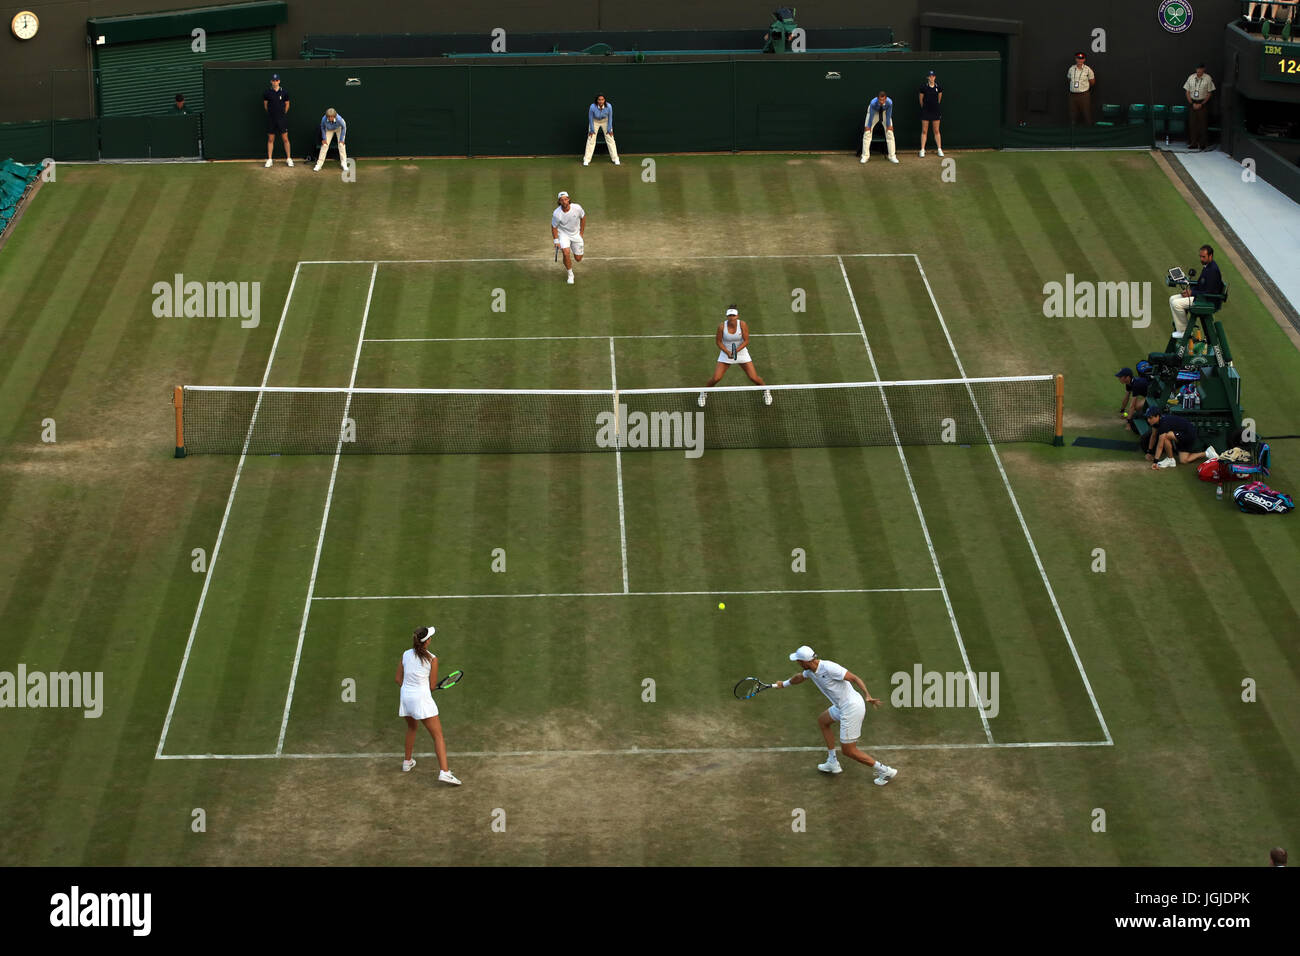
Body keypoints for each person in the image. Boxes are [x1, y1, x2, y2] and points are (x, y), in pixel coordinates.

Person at [771, 645, 898, 785]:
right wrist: (784, 684)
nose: (797, 663)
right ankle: (832, 762)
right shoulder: (810, 670)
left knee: (849, 751)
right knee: (823, 721)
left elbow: (854, 678)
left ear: (806, 661)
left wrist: (867, 695)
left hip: (852, 708)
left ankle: (885, 771)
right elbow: (799, 677)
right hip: (841, 706)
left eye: (799, 661)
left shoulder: (829, 667)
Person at [395, 625, 461, 785]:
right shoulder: (432, 659)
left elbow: (398, 679)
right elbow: (432, 686)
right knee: (438, 736)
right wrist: (422, 691)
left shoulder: (405, 654)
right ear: (427, 641)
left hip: (405, 698)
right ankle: (445, 772)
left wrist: (411, 690)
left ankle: (407, 762)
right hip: (421, 700)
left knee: (412, 728)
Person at [698, 305, 771, 406]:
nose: (731, 317)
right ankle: (703, 393)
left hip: (741, 352)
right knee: (716, 378)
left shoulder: (742, 325)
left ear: (737, 316)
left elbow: (746, 341)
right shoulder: (722, 327)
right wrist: (728, 352)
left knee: (753, 377)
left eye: (733, 315)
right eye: (730, 315)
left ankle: (766, 391)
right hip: (726, 353)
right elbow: (718, 342)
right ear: (727, 316)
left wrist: (736, 351)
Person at [1168, 245, 1223, 338]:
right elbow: (1200, 285)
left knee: (1176, 304)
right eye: (1200, 256)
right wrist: (1189, 291)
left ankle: (1185, 331)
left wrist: (1192, 293)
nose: (1201, 259)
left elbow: (1209, 292)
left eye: (1203, 257)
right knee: (1172, 299)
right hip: (1200, 296)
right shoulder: (1207, 266)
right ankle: (1180, 328)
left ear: (1211, 256)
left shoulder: (1213, 270)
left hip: (1206, 300)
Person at [551, 191, 585, 285]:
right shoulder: (556, 213)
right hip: (563, 234)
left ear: (569, 199)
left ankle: (571, 256)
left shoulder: (577, 208)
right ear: (559, 202)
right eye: (562, 200)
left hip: (576, 234)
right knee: (566, 253)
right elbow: (554, 227)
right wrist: (556, 241)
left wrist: (581, 233)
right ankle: (570, 274)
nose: (564, 202)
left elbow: (583, 217)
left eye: (566, 199)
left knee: (578, 259)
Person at [860, 91, 899, 164]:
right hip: (873, 112)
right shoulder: (873, 103)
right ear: (877, 98)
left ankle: (892, 156)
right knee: (867, 132)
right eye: (880, 100)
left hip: (885, 113)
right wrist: (868, 126)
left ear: (886, 98)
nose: (881, 102)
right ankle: (865, 156)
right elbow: (871, 115)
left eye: (883, 100)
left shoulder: (889, 102)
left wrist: (888, 125)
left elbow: (888, 114)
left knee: (890, 132)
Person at [263, 73, 292, 168]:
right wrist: (272, 113)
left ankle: (288, 158)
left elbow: (287, 104)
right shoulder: (267, 93)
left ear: (279, 81)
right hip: (271, 119)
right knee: (270, 139)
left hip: (282, 119)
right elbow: (266, 105)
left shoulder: (284, 92)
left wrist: (282, 113)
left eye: (276, 80)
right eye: (273, 80)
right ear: (271, 81)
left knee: (285, 139)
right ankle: (270, 159)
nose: (275, 82)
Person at [1183, 64, 1216, 151]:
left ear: (1203, 69)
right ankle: (1193, 143)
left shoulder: (1208, 78)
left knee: (1202, 124)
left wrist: (1202, 103)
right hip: (1193, 103)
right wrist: (1191, 103)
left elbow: (1209, 93)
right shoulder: (1191, 77)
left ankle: (1202, 144)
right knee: (1192, 124)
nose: (1199, 70)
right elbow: (1187, 92)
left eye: (1200, 69)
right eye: (1197, 68)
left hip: (1202, 103)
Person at [583, 93, 620, 167]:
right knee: (591, 139)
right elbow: (590, 118)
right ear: (597, 100)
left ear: (604, 100)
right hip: (594, 121)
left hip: (605, 121)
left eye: (602, 99)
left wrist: (609, 129)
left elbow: (610, 117)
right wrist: (592, 130)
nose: (601, 101)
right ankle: (586, 160)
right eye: (599, 100)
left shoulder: (609, 106)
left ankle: (615, 159)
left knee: (611, 139)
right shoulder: (592, 107)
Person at [918, 71, 944, 158]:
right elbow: (921, 100)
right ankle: (922, 150)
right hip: (925, 111)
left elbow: (939, 99)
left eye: (933, 76)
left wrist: (935, 106)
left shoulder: (938, 87)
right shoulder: (923, 88)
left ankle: (939, 149)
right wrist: (925, 107)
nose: (931, 77)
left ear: (935, 77)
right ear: (928, 78)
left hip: (935, 111)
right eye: (930, 76)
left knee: (936, 131)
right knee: (924, 131)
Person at [314, 107, 348, 171]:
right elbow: (323, 127)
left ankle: (344, 163)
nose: (330, 118)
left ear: (334, 116)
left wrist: (341, 139)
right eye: (328, 117)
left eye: (331, 117)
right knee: (324, 145)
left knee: (341, 145)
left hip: (339, 128)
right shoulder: (324, 119)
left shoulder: (339, 119)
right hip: (329, 129)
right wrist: (324, 138)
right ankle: (319, 165)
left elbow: (344, 127)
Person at [1067, 52, 1096, 126]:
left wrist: (1083, 88)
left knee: (1086, 113)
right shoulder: (1071, 69)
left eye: (1081, 59)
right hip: (1072, 95)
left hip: (1084, 95)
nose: (1079, 60)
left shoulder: (1088, 69)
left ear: (1084, 60)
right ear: (1076, 59)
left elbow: (1092, 82)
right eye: (1078, 58)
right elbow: (1069, 79)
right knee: (1072, 114)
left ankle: (1089, 131)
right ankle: (1072, 133)